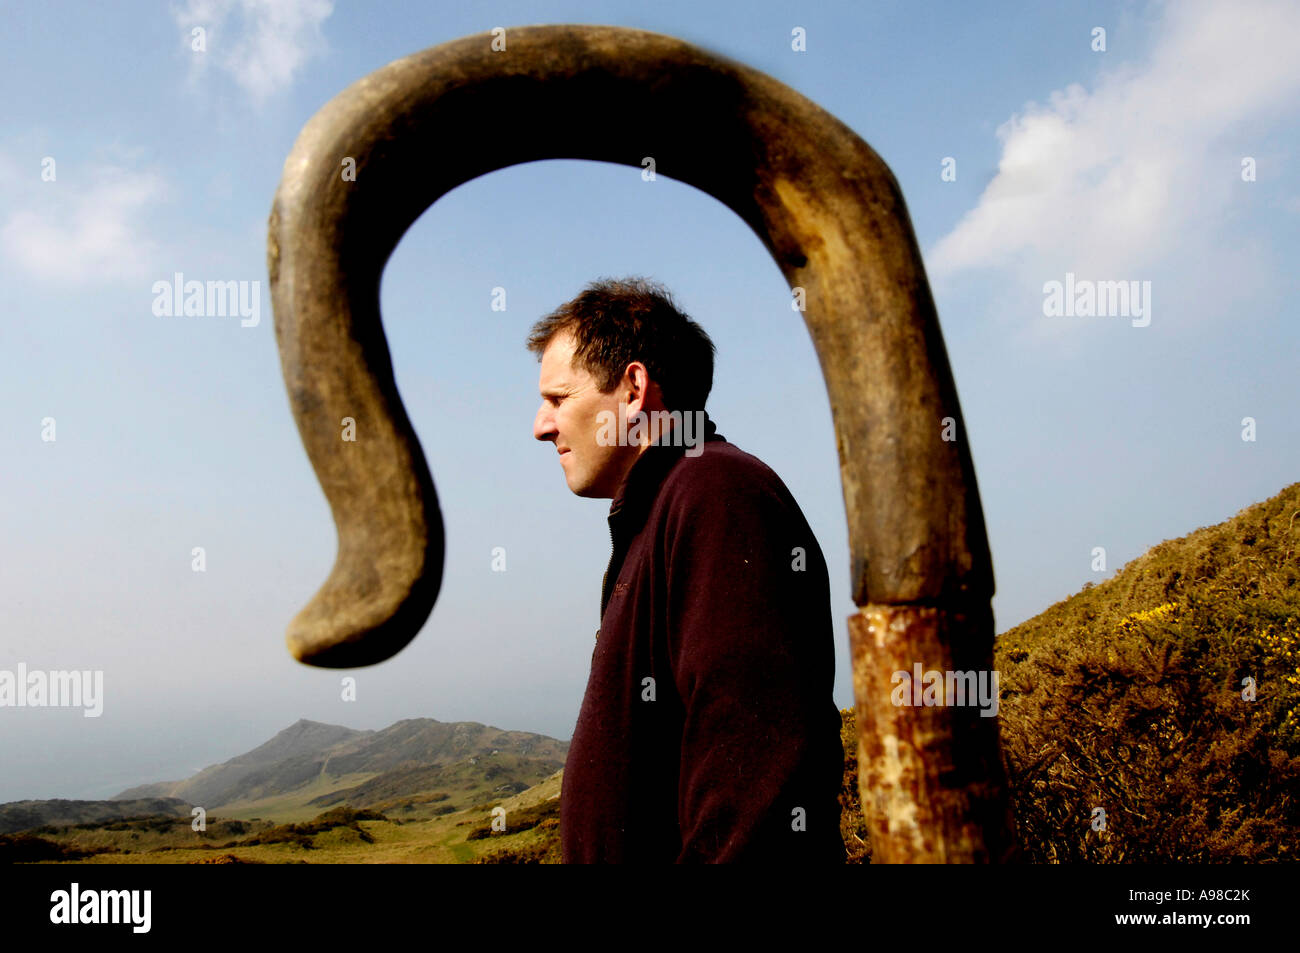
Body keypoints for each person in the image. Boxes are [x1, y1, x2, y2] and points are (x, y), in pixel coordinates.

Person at [528, 277, 846, 863]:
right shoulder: (667, 509)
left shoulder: (718, 492)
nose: (541, 427)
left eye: (557, 399)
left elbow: (756, 783)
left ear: (632, 389)